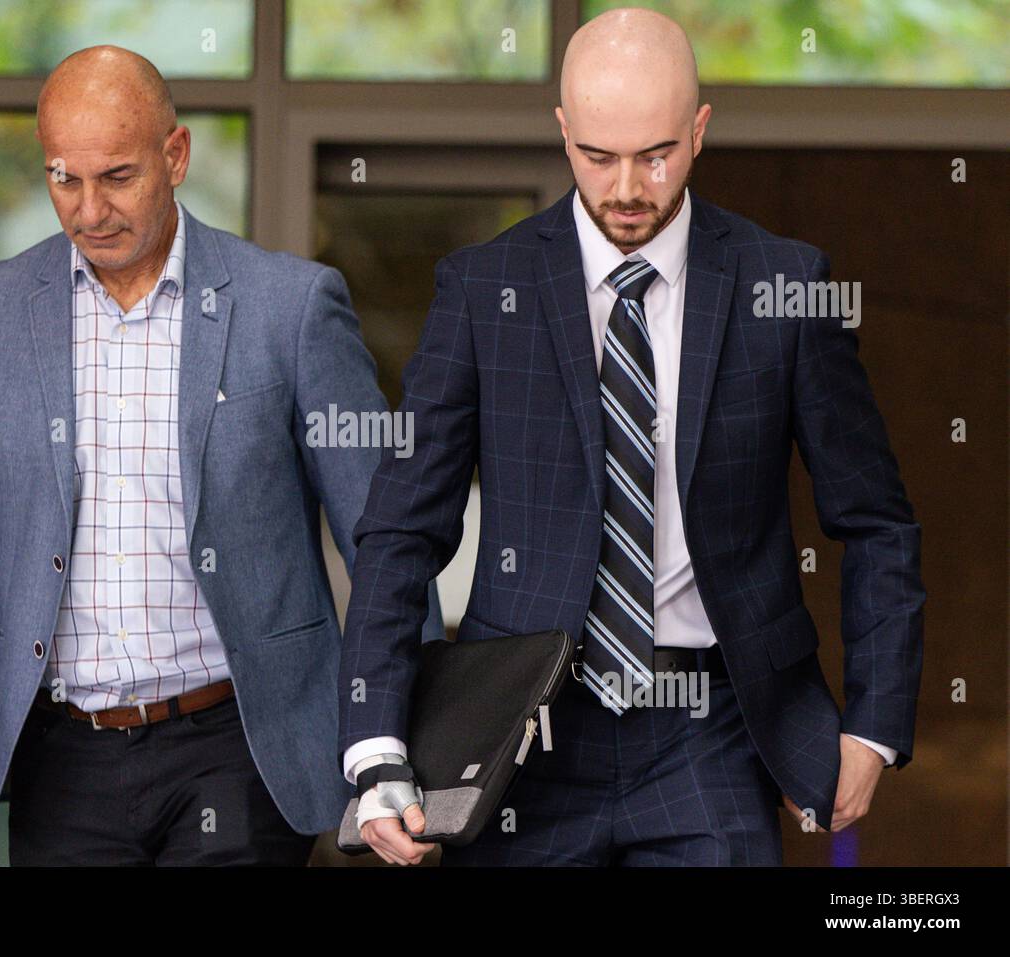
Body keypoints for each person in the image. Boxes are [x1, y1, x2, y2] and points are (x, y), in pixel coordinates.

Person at [339, 8, 923, 866]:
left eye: (656, 155)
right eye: (597, 156)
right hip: (522, 734)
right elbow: (402, 527)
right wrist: (376, 743)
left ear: (700, 130)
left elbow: (876, 520)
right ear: (563, 130)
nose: (625, 188)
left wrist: (874, 725)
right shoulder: (480, 289)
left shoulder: (786, 284)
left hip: (713, 732)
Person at [0, 45, 442, 865]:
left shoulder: (290, 308)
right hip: (62, 758)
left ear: (176, 156)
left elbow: (383, 538)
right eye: (64, 178)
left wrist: (409, 745)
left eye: (117, 177)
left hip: (238, 748)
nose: (89, 210)